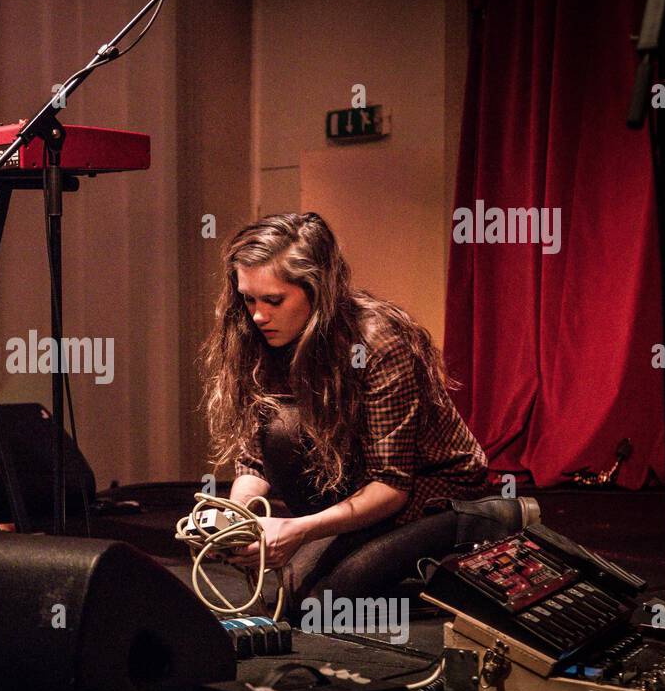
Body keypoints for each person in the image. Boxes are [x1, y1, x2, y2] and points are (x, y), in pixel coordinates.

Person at [199, 212, 513, 604]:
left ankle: (484, 524)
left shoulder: (378, 342)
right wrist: (238, 517)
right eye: (249, 299)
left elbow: (392, 485)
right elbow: (255, 459)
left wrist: (298, 530)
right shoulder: (257, 338)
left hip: (425, 494)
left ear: (316, 290)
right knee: (281, 432)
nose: (259, 314)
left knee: (320, 604)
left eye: (274, 300)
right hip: (346, 483)